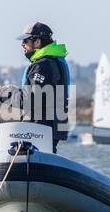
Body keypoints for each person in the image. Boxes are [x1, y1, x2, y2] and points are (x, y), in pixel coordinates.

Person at [12, 21, 70, 151]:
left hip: (39, 129)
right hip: (46, 129)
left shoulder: (43, 65)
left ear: (37, 42)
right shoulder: (53, 61)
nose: (22, 45)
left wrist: (6, 93)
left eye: (26, 41)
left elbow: (31, 100)